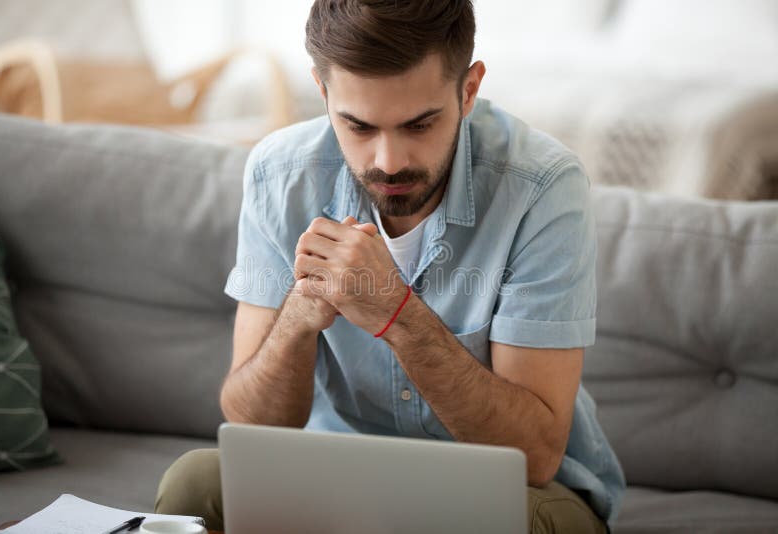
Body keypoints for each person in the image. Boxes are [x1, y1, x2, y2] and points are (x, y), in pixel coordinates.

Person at [155, 1, 625, 532]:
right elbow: (251, 427)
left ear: (468, 90)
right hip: (340, 471)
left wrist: (397, 313)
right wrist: (298, 316)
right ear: (323, 92)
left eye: (419, 125)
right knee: (194, 483)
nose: (388, 162)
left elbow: (534, 456)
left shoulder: (541, 187)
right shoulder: (279, 174)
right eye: (357, 126)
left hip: (512, 492)